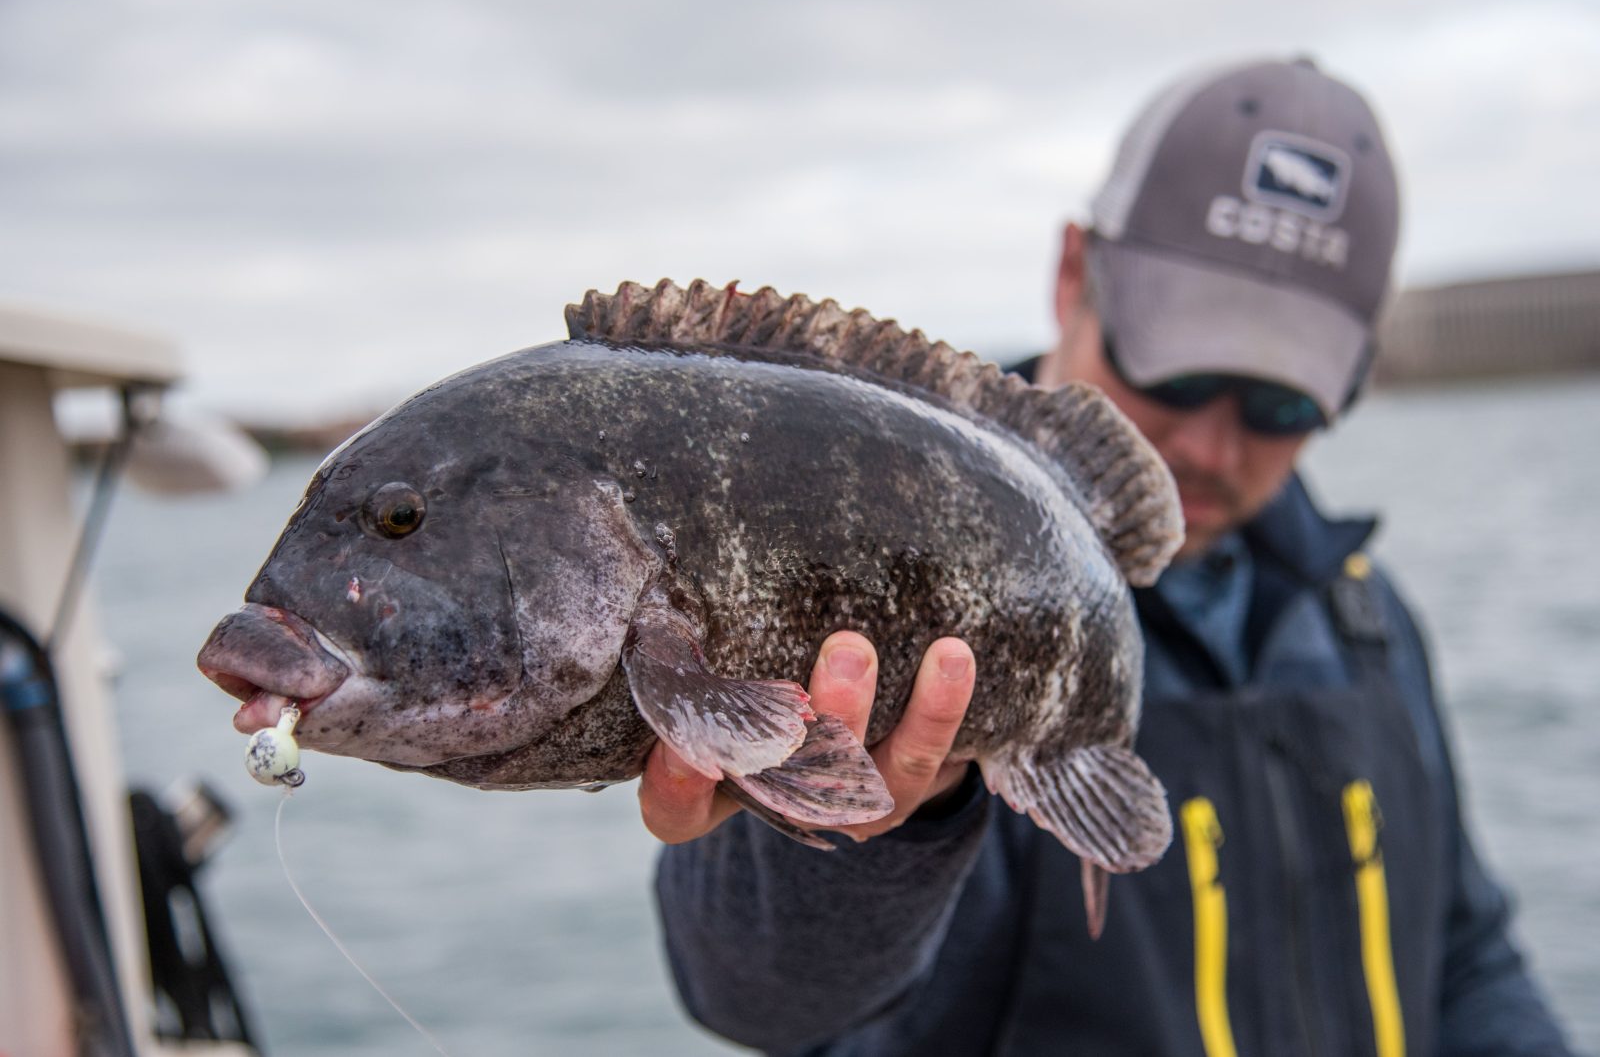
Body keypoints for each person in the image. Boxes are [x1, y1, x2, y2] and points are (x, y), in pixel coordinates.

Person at [638, 56, 1578, 1056]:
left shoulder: (1365, 619)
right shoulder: (845, 557)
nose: (1213, 446)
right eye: (1178, 367)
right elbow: (761, 1001)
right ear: (1073, 276)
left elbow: (1465, 954)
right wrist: (895, 816)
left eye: (1281, 403)